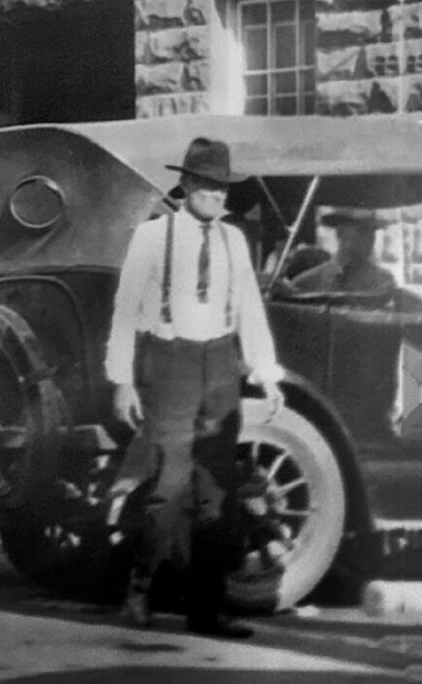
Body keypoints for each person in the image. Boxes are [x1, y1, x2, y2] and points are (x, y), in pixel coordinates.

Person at [106, 136, 283, 639]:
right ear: (185, 185)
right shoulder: (151, 238)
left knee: (217, 496)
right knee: (167, 487)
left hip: (221, 366)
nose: (217, 197)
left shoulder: (234, 241)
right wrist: (122, 380)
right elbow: (124, 313)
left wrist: (266, 374)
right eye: (207, 186)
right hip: (170, 364)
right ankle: (140, 586)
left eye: (223, 188)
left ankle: (207, 609)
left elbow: (249, 307)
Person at [278, 208, 397, 302]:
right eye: (363, 231)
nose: (371, 239)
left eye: (372, 232)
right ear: (340, 233)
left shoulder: (383, 281)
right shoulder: (307, 282)